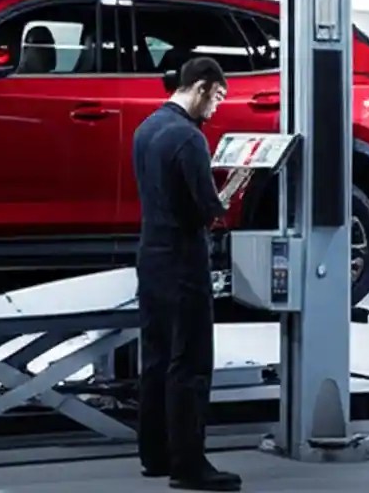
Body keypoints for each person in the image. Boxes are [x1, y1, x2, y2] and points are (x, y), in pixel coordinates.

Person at [131, 57, 242, 492]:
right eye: (216, 97)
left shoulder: (146, 128)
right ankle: (189, 465)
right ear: (200, 87)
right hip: (184, 261)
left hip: (151, 257)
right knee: (191, 363)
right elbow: (204, 210)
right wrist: (227, 196)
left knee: (156, 357)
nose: (216, 108)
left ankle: (155, 455)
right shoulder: (189, 139)